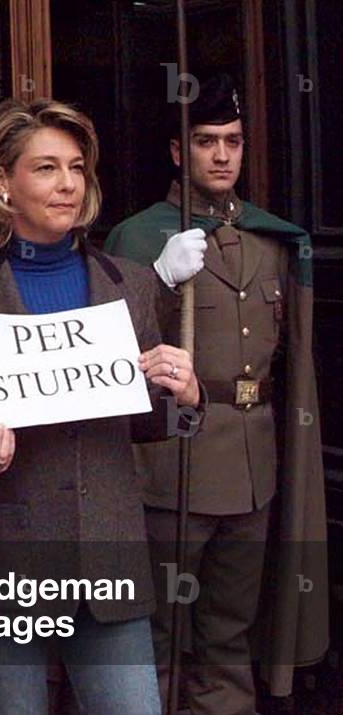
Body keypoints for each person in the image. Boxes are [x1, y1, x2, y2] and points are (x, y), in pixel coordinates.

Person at [0, 98, 203, 715]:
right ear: (4, 182)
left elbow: (148, 422)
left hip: (110, 557)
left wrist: (185, 395)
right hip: (5, 566)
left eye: (77, 167)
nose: (68, 184)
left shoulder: (130, 285)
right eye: (46, 168)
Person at [105, 73, 328, 712]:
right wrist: (162, 281)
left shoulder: (269, 240)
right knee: (160, 631)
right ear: (180, 152)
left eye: (232, 141)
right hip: (174, 460)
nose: (223, 155)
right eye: (207, 141)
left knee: (230, 631)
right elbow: (117, 349)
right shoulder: (139, 238)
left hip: (253, 459)